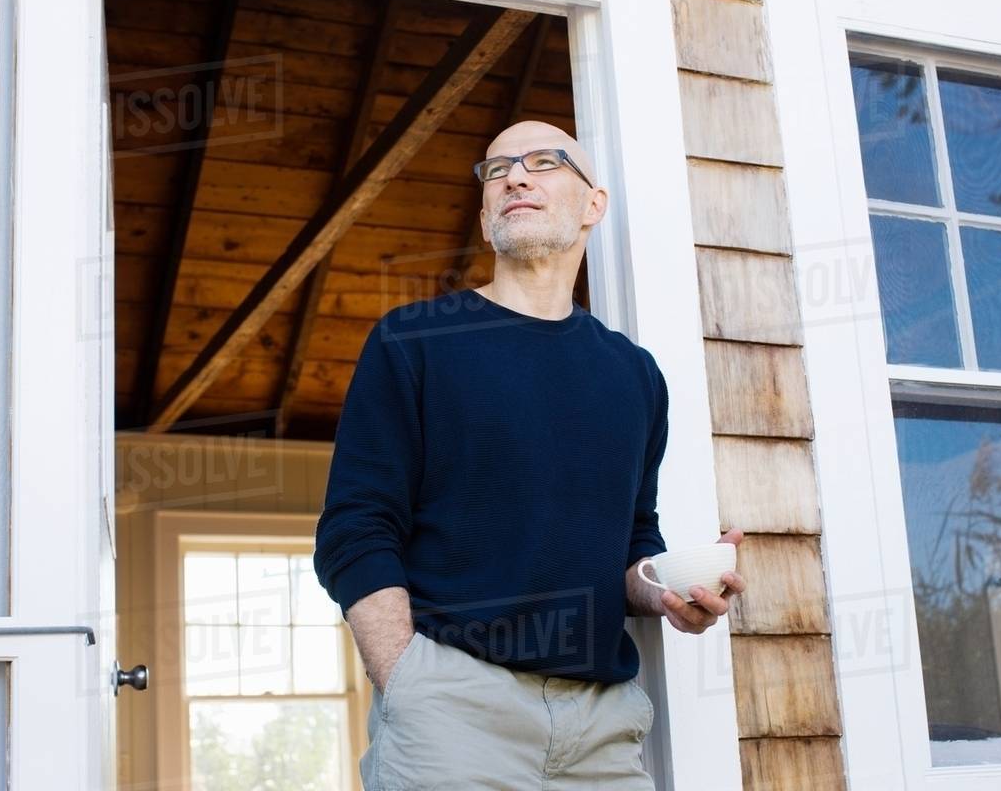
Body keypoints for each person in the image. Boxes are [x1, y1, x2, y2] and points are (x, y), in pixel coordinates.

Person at [313, 120, 747, 789]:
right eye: (497, 170)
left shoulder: (634, 376)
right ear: (487, 218)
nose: (515, 176)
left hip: (603, 733)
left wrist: (668, 593)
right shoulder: (414, 342)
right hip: (453, 720)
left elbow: (632, 541)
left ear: (592, 205)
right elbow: (355, 528)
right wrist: (405, 680)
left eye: (544, 163)